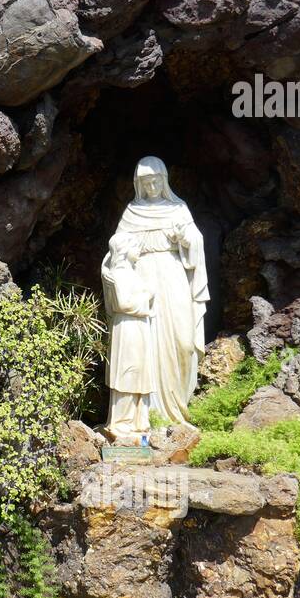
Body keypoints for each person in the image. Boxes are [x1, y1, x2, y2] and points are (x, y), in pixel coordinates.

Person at [104, 156, 209, 434]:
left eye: (155, 182)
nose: (150, 187)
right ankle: (144, 415)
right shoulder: (132, 211)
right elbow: (116, 251)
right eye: (145, 183)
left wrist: (185, 238)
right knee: (143, 345)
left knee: (182, 342)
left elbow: (195, 241)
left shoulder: (178, 209)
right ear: (138, 184)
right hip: (141, 279)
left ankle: (175, 411)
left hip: (173, 276)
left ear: (163, 182)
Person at [101, 232, 155, 441]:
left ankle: (138, 423)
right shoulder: (121, 273)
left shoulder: (129, 272)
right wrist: (147, 295)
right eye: (136, 246)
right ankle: (122, 423)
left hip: (137, 327)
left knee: (139, 372)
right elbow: (122, 304)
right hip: (128, 327)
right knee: (128, 372)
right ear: (124, 250)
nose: (139, 250)